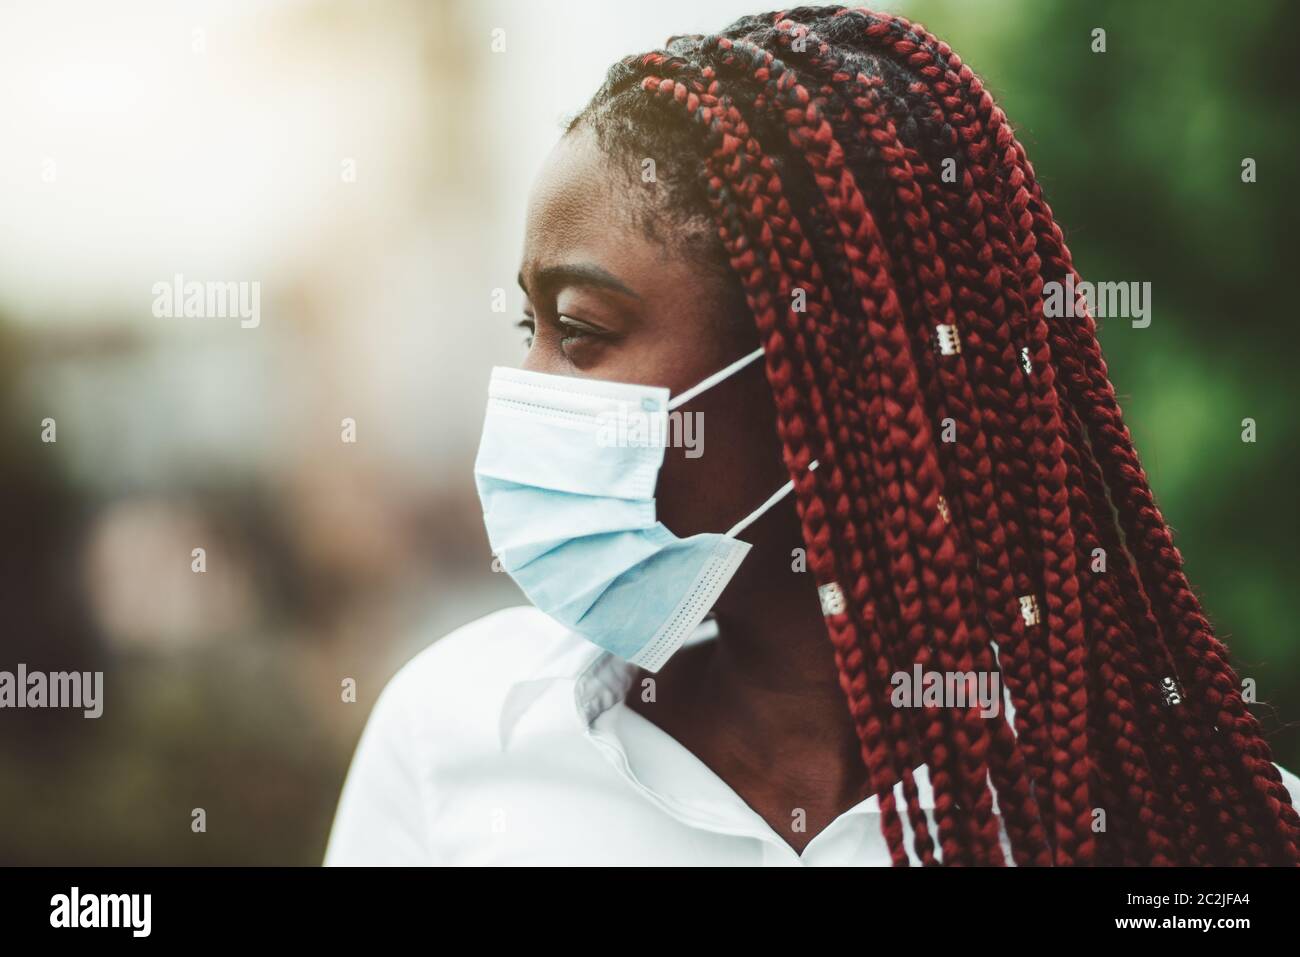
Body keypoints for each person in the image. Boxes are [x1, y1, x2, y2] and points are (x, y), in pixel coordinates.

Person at [325, 6, 1300, 866]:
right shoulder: (454, 740)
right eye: (525, 330)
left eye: (580, 333)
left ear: (822, 373)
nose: (524, 393)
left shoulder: (1188, 823)